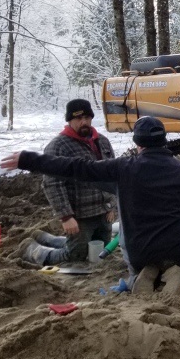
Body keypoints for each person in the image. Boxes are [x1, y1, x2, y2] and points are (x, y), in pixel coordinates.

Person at [1, 117, 180, 295]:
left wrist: (28, 160)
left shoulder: (122, 169)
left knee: (136, 261)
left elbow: (77, 167)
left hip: (138, 253)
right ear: (164, 140)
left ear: (138, 144)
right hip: (179, 250)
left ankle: (139, 278)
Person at [23, 99, 117, 266]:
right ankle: (31, 249)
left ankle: (46, 238)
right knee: (75, 255)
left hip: (103, 212)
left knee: (101, 251)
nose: (83, 122)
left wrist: (112, 205)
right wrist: (66, 216)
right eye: (78, 118)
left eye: (87, 118)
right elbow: (52, 184)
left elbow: (112, 174)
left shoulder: (102, 141)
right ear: (69, 120)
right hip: (80, 214)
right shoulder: (58, 146)